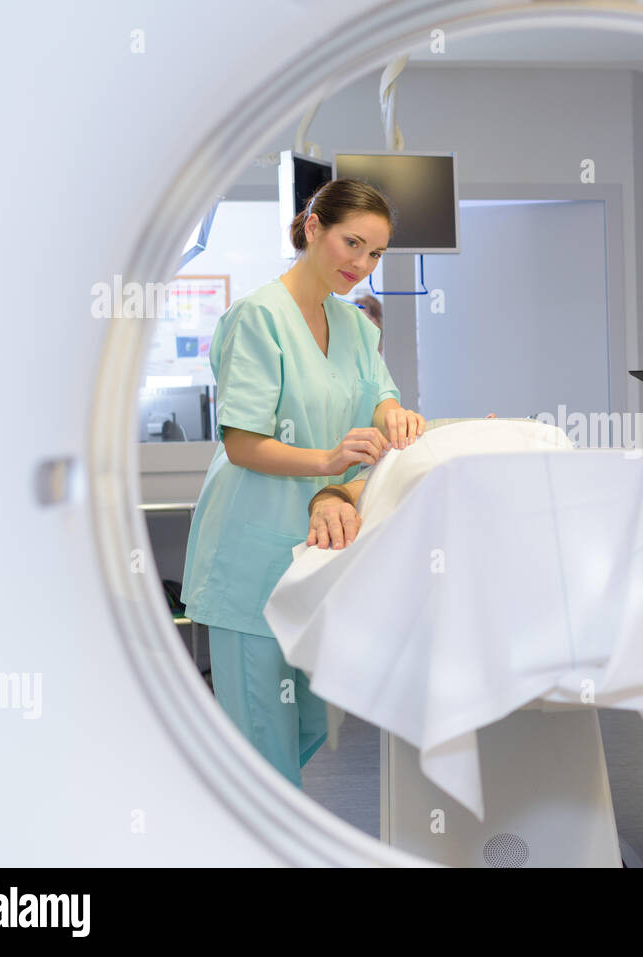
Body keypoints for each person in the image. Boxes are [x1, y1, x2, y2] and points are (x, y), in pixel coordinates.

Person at [181, 178, 426, 787]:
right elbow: (240, 441)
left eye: (375, 254)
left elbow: (379, 396)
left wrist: (390, 415)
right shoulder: (258, 318)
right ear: (312, 226)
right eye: (352, 243)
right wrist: (328, 462)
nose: (362, 265)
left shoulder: (353, 326)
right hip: (251, 555)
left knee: (306, 728)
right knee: (263, 753)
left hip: (319, 551)